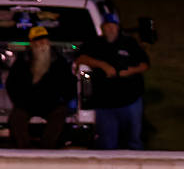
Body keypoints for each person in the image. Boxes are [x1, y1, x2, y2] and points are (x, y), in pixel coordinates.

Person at [75, 11, 150, 150]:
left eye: (113, 25)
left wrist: (129, 72)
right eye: (107, 25)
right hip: (105, 104)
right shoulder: (94, 43)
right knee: (107, 144)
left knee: (133, 141)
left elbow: (144, 65)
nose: (110, 28)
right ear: (102, 28)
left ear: (118, 27)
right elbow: (80, 58)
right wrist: (103, 65)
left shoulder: (129, 43)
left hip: (130, 101)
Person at [5, 26, 77, 147]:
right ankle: (23, 149)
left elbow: (69, 83)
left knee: (60, 114)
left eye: (44, 39)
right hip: (27, 103)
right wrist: (19, 101)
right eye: (38, 40)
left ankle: (47, 148)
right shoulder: (22, 61)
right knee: (17, 117)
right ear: (32, 43)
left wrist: (63, 99)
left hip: (52, 103)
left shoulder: (59, 61)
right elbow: (12, 84)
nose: (42, 43)